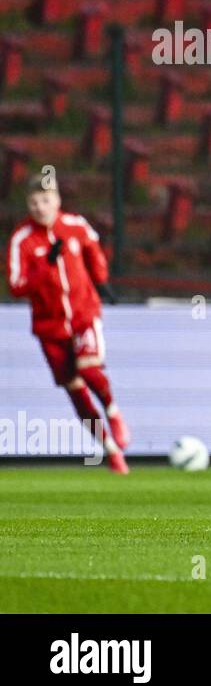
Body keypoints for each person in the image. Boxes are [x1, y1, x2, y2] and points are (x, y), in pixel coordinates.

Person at [7, 174, 130, 473]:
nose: (40, 207)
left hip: (83, 314)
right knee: (75, 389)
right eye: (34, 202)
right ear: (28, 204)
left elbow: (93, 250)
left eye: (46, 200)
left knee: (89, 368)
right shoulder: (22, 239)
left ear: (57, 201)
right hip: (50, 328)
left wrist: (100, 282)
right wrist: (42, 268)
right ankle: (110, 449)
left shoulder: (75, 226)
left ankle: (113, 412)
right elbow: (16, 285)